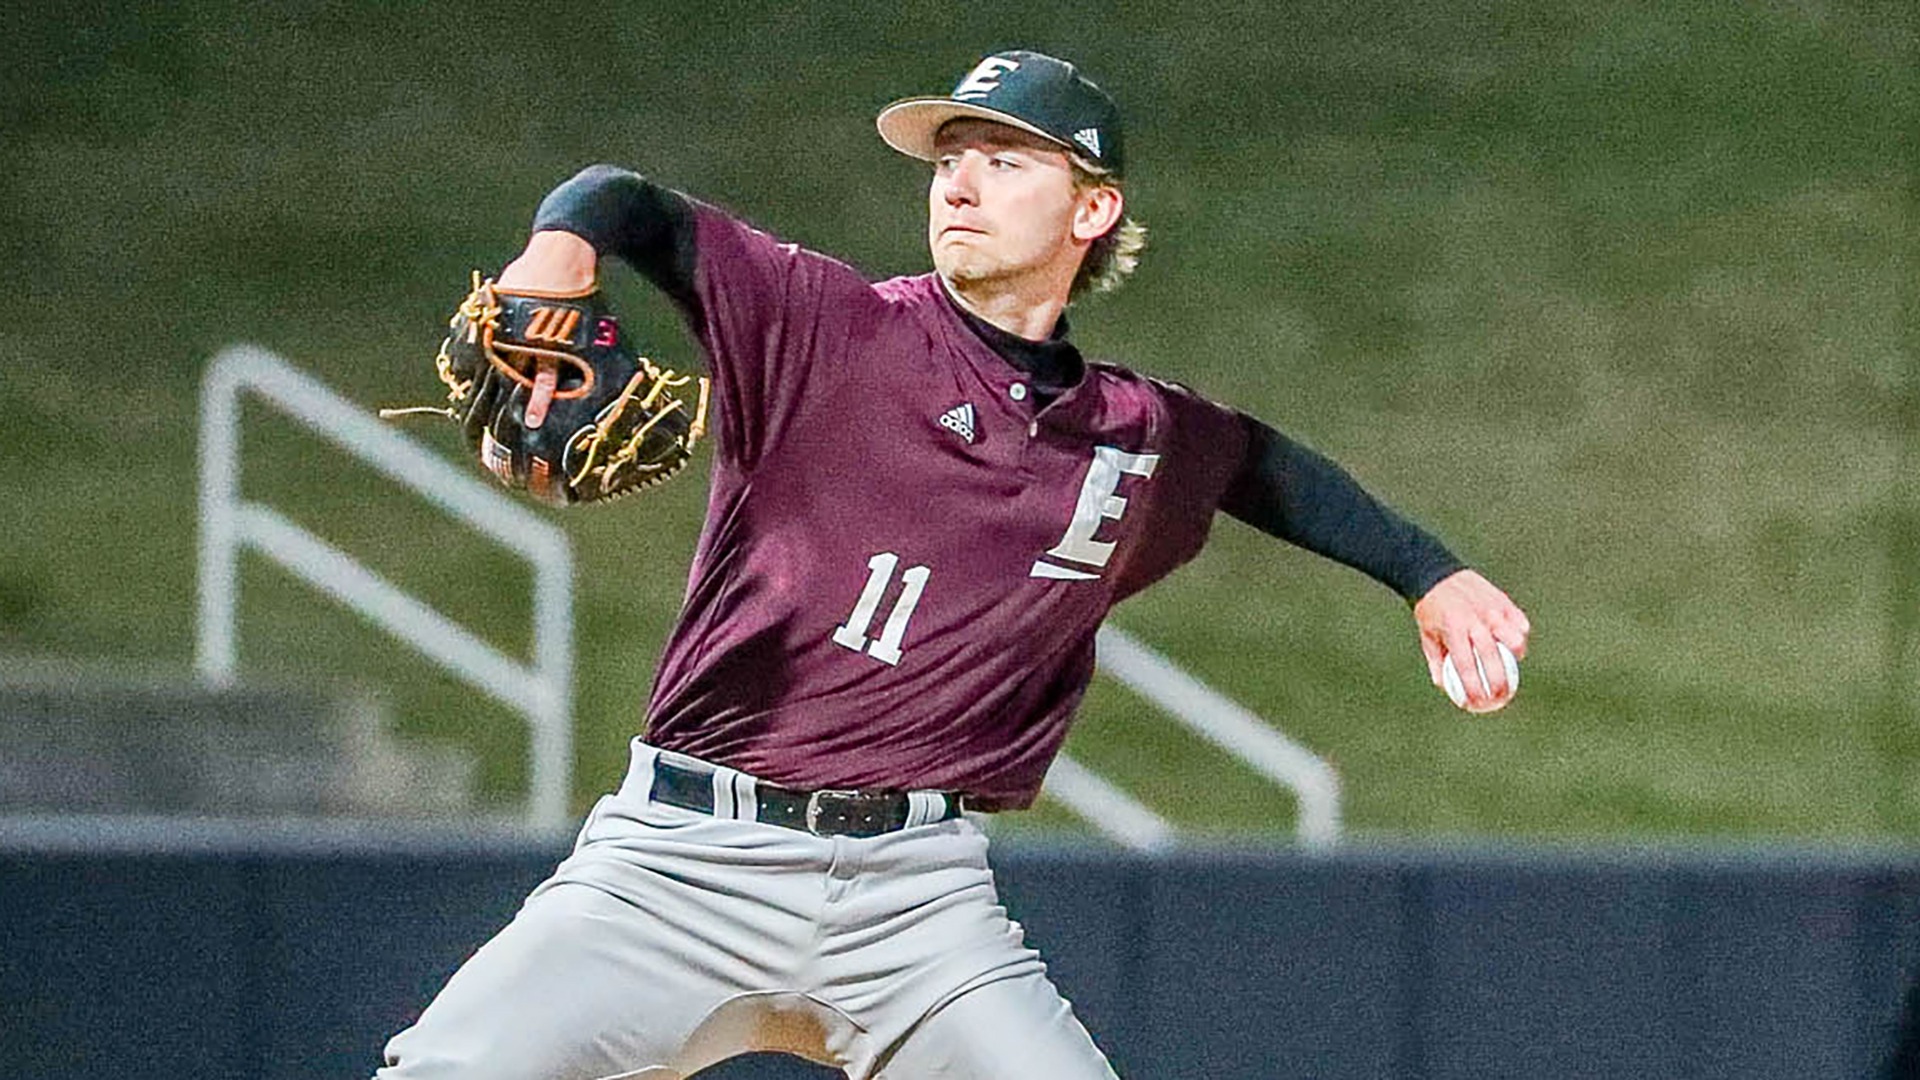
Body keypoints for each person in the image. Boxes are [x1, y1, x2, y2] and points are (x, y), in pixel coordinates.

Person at [377, 50, 1531, 1079]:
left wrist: (1428, 572)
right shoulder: (830, 326)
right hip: (682, 863)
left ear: (1094, 208)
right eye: (948, 163)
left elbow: (1261, 468)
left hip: (914, 900)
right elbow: (627, 203)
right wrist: (559, 248)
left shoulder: (1130, 432)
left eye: (1004, 160)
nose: (960, 184)